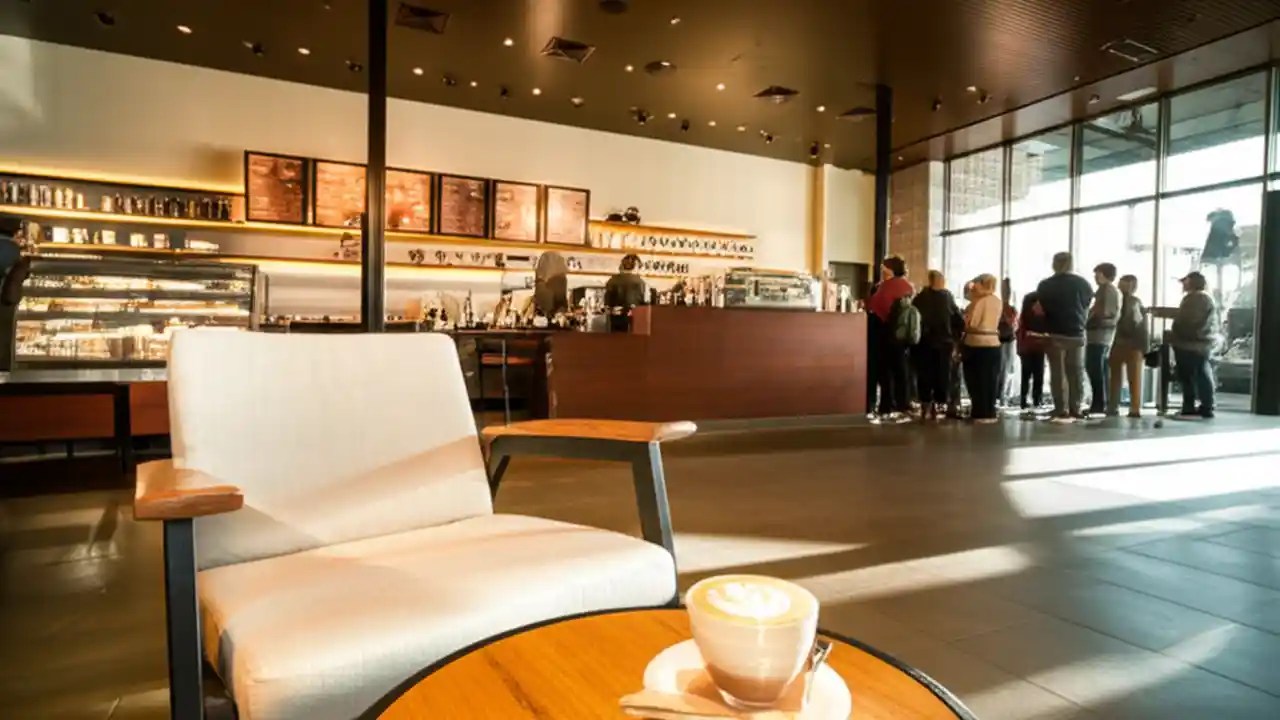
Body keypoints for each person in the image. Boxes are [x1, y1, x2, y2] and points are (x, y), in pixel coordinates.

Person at [1036, 252, 1093, 421]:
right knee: (1075, 372)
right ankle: (1076, 407)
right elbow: (1086, 304)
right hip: (1077, 333)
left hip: (1055, 332)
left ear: (1054, 264)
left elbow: (1040, 309)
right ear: (1071, 264)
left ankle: (1061, 408)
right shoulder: (1083, 283)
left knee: (1057, 373)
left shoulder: (1045, 285)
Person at [867, 255, 914, 422]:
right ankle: (901, 406)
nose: (882, 270)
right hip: (900, 334)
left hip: (884, 332)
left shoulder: (887, 286)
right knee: (899, 371)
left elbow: (875, 307)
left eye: (884, 267)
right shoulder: (907, 286)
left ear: (891, 269)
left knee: (884, 372)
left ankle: (886, 406)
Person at [912, 270, 963, 421]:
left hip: (924, 342)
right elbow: (958, 319)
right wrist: (956, 337)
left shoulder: (920, 298)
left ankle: (926, 405)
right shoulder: (947, 297)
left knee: (925, 374)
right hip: (944, 343)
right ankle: (940, 403)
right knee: (942, 374)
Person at [1170, 271, 1218, 419]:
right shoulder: (1204, 298)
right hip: (1199, 343)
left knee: (1191, 376)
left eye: (1186, 281)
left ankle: (1194, 406)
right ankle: (1203, 405)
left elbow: (1188, 321)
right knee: (1200, 373)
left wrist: (1176, 330)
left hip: (1191, 344)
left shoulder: (1196, 298)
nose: (1183, 284)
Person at [962, 274, 1003, 424]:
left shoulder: (978, 301)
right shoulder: (997, 301)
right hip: (994, 343)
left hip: (975, 343)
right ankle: (989, 412)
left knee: (975, 380)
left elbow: (971, 323)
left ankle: (979, 412)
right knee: (990, 380)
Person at [1107, 274, 1148, 418]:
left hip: (1123, 343)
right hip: (1131, 344)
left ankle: (1114, 406)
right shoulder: (1135, 302)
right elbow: (1141, 325)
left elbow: (1135, 323)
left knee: (1116, 378)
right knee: (1132, 378)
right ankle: (1133, 408)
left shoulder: (1129, 302)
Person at [1085, 263, 1120, 415]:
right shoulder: (1105, 291)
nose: (1095, 277)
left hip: (1099, 336)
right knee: (1099, 370)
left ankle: (1098, 404)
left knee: (1095, 369)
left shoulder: (1108, 290)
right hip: (1100, 336)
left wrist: (1088, 320)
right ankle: (1101, 403)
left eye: (1098, 273)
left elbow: (1106, 313)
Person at [1017, 290, 1049, 410]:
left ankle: (1024, 400)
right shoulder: (1041, 317)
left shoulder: (1025, 317)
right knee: (1038, 374)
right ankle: (1037, 400)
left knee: (1026, 375)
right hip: (1038, 346)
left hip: (1026, 347)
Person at [603, 254, 646, 332]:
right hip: (636, 323)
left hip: (616, 323)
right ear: (636, 267)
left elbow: (606, 305)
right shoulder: (641, 283)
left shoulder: (612, 281)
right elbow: (646, 306)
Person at [997, 278, 1018, 406]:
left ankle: (1004, 394)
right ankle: (1000, 394)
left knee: (1008, 368)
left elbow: (1013, 324)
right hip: (999, 340)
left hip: (1009, 340)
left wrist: (1006, 319)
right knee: (1000, 368)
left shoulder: (1011, 309)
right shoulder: (998, 307)